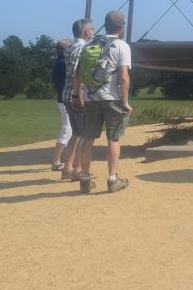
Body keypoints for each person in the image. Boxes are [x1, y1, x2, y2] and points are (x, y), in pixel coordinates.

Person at [75, 10, 132, 194]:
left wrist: (77, 95)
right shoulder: (122, 46)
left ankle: (85, 179)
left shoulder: (89, 44)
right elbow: (123, 77)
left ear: (105, 25)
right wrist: (126, 102)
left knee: (87, 139)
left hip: (90, 97)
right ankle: (112, 179)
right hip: (112, 99)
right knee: (113, 139)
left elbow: (77, 73)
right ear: (121, 27)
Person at [60, 19, 93, 181]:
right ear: (86, 32)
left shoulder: (69, 47)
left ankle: (67, 168)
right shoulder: (82, 48)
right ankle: (78, 169)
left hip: (66, 94)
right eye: (91, 29)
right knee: (84, 134)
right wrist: (78, 95)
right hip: (76, 95)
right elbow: (76, 72)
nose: (92, 31)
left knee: (76, 133)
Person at [50, 38, 72, 172]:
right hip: (65, 100)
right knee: (67, 130)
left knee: (70, 130)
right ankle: (56, 161)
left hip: (62, 99)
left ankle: (67, 160)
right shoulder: (64, 63)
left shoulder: (59, 62)